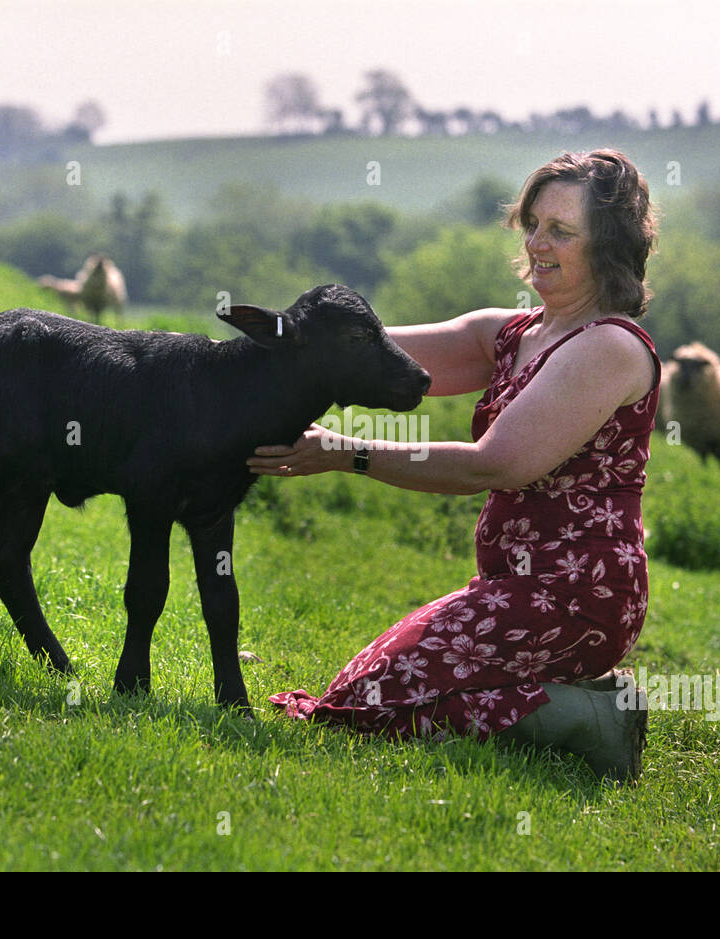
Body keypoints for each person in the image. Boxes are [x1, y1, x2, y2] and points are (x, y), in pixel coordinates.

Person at [246, 149, 660, 780]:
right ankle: (583, 701)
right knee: (361, 686)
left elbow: (492, 465)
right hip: (509, 586)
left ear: (609, 246)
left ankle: (590, 720)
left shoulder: (607, 346)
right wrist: (273, 345)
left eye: (562, 231)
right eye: (533, 224)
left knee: (375, 704)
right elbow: (367, 352)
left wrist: (343, 452)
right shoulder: (513, 334)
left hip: (577, 598)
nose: (538, 243)